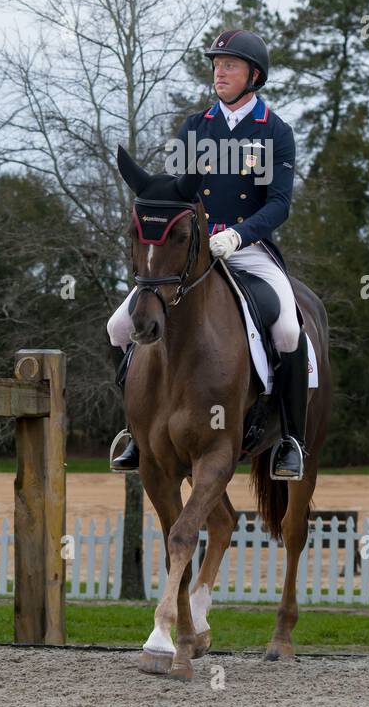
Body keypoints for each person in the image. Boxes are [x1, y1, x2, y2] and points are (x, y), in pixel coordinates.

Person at [106, 28, 309, 480]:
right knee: (118, 326)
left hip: (248, 251)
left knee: (290, 331)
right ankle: (137, 431)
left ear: (253, 75)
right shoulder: (195, 127)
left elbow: (279, 202)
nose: (220, 72)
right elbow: (179, 192)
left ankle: (290, 440)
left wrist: (238, 236)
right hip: (191, 255)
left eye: (230, 65)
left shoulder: (275, 131)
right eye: (216, 65)